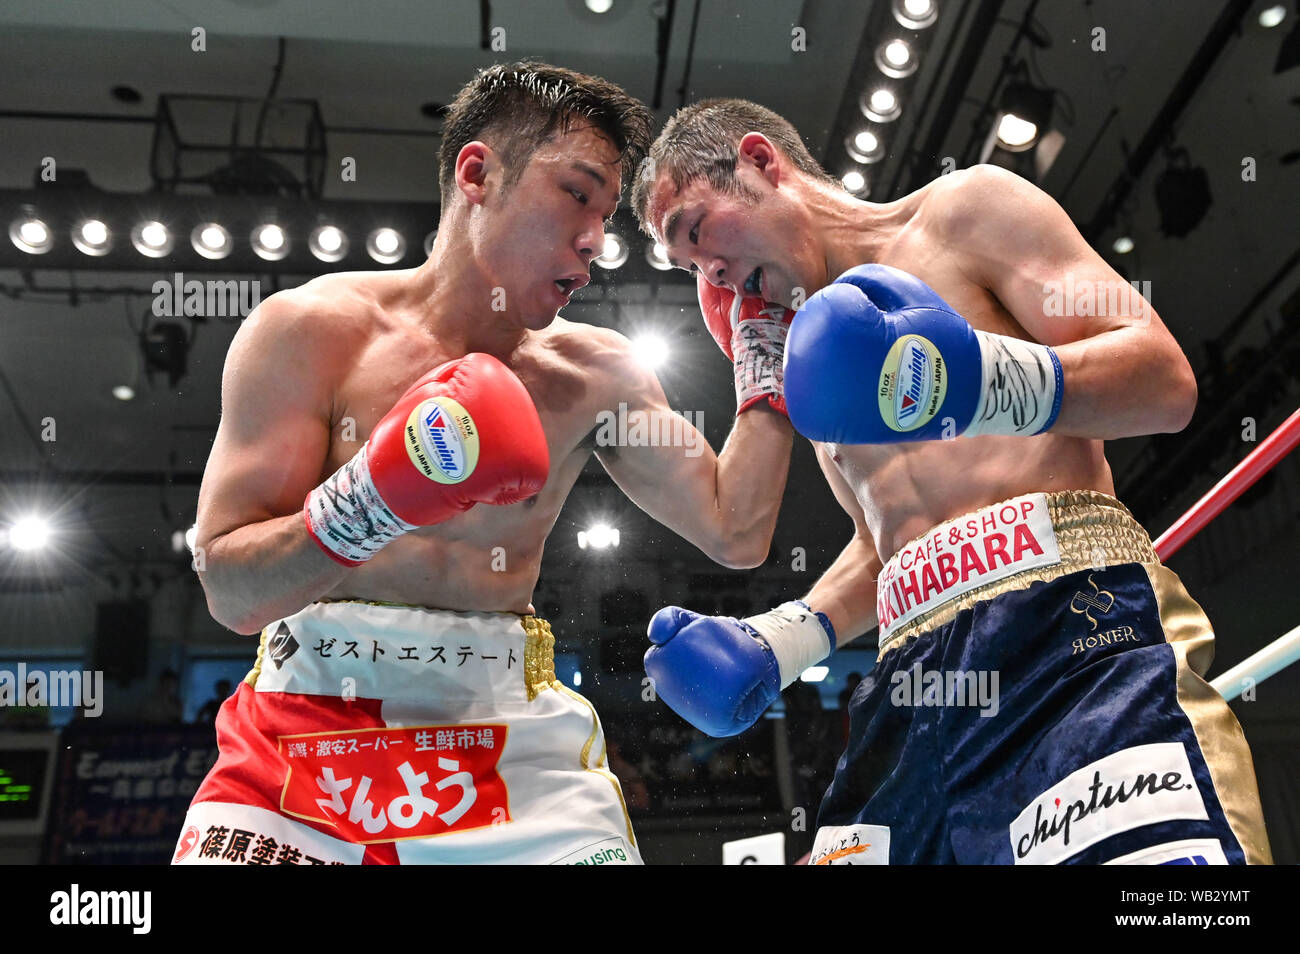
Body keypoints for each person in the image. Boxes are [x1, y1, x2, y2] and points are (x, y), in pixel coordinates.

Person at [173, 68, 794, 866]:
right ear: (477, 174)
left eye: (606, 219)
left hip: (508, 741)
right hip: (306, 734)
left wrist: (763, 361)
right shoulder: (309, 332)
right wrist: (373, 498)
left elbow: (737, 531)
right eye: (577, 195)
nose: (595, 243)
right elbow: (230, 592)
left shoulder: (594, 375)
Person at [632, 98, 1272, 865]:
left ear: (761, 163)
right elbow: (889, 546)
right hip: (911, 686)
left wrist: (976, 378)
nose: (715, 277)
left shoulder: (963, 210)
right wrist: (782, 640)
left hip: (1068, 630)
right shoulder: (817, 362)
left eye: (698, 235)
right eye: (692, 271)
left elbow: (1165, 383)